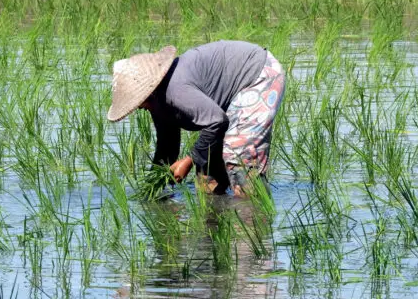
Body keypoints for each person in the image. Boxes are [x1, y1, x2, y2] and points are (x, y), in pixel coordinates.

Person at [106, 40, 285, 196]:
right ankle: (213, 223)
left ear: (148, 91)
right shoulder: (158, 101)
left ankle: (252, 218)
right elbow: (167, 147)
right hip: (230, 98)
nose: (139, 108)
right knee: (206, 170)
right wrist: (155, 185)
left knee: (238, 155)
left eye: (138, 102)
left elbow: (217, 121)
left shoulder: (175, 90)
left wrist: (189, 160)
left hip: (258, 74)